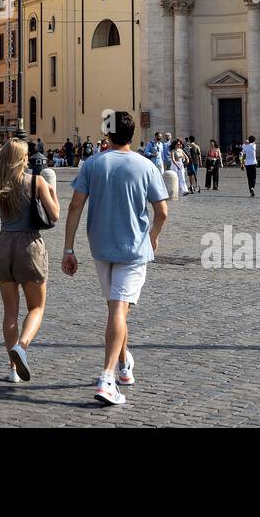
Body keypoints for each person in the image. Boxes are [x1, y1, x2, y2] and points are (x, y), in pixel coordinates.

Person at [60, 110, 169, 407]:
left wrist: (69, 249)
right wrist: (153, 236)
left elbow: (74, 207)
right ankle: (107, 377)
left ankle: (124, 366)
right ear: (133, 135)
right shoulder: (146, 166)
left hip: (101, 247)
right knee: (119, 310)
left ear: (107, 135)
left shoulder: (93, 163)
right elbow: (162, 212)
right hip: (133, 249)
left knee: (115, 309)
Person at [0, 137, 60, 382]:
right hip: (29, 247)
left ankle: (12, 370)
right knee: (37, 307)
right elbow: (54, 216)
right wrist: (53, 193)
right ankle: (21, 346)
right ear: (23, 159)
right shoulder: (37, 182)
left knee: (10, 311)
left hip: (3, 246)